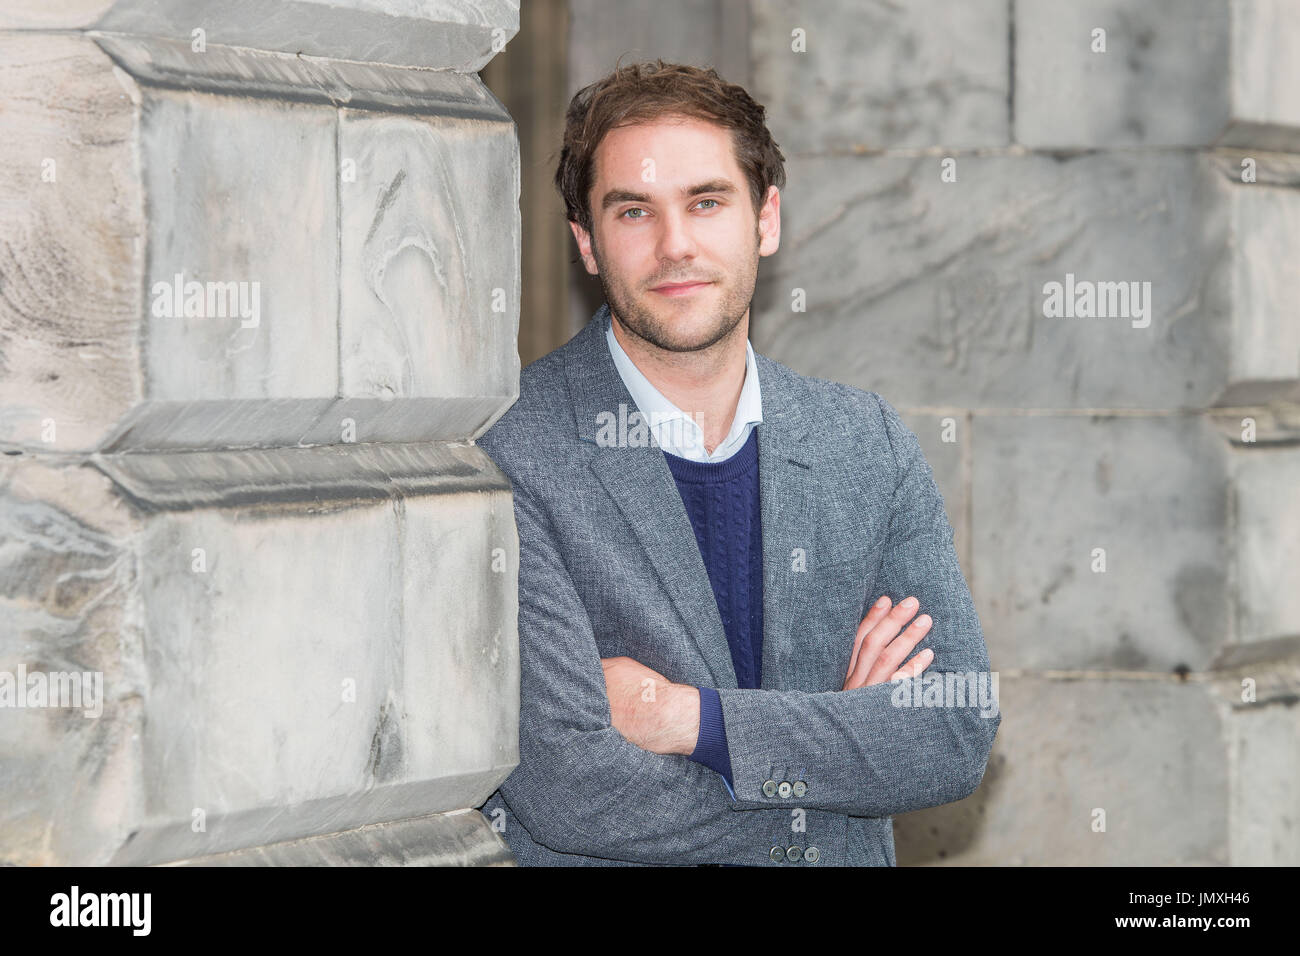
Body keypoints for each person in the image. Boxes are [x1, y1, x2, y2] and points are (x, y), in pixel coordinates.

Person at [476, 59, 1000, 866]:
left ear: (767, 219)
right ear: (586, 242)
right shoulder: (509, 449)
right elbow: (574, 791)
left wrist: (692, 720)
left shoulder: (864, 441)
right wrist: (838, 762)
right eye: (632, 211)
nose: (675, 244)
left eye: (707, 202)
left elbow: (952, 730)